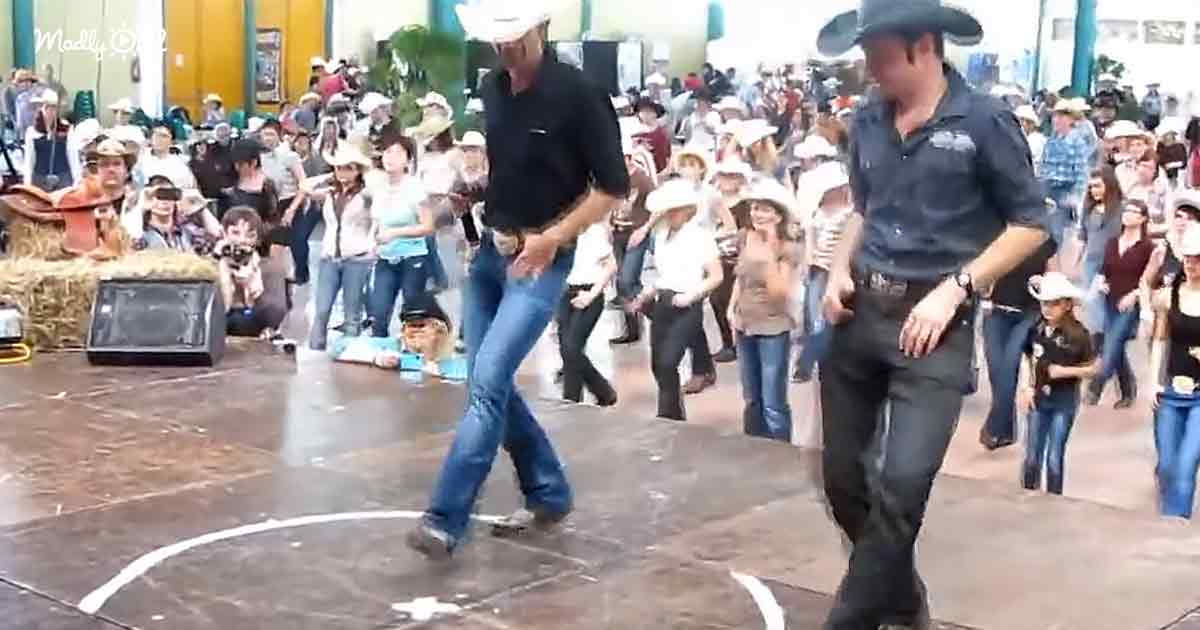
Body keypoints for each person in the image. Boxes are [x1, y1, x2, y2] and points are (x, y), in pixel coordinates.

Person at [814, 1, 1048, 627]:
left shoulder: (986, 122)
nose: (870, 70)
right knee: (843, 481)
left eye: (879, 56)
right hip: (860, 314)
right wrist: (837, 270)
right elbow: (863, 208)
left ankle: (850, 620)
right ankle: (905, 603)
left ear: (923, 46)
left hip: (936, 326)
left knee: (904, 487)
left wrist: (956, 289)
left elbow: (1032, 224)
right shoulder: (868, 120)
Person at [406, 0, 629, 559]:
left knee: (485, 385)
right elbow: (513, 168)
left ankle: (445, 518)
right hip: (491, 252)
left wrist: (553, 237)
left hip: (541, 259)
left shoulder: (580, 94)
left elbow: (612, 187)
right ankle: (548, 490)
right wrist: (475, 193)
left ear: (543, 28)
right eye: (498, 39)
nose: (506, 49)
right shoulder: (493, 88)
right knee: (489, 382)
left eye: (516, 37)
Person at [630, 179, 723, 421]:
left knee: (669, 361)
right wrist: (647, 293)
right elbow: (665, 274)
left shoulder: (700, 236)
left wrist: (690, 295)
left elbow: (716, 276)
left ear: (688, 209)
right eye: (668, 210)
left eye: (675, 210)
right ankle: (671, 413)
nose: (671, 215)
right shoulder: (661, 236)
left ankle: (668, 415)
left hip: (687, 305)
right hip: (663, 302)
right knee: (658, 364)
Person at [728, 179, 800, 442]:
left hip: (773, 328)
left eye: (765, 209)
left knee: (773, 403)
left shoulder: (788, 248)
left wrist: (769, 254)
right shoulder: (745, 237)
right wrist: (731, 309)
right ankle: (752, 448)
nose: (757, 213)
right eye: (755, 208)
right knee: (752, 398)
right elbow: (740, 277)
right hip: (744, 324)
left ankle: (780, 453)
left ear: (778, 216)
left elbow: (780, 293)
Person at [1018, 272, 1098, 494]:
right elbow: (1027, 356)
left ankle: (1054, 499)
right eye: (1045, 303)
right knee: (1032, 456)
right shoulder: (1036, 328)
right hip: (1038, 397)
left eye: (1054, 303)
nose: (1048, 309)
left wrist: (1065, 371)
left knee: (1054, 457)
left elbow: (1093, 368)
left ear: (1067, 305)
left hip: (1064, 401)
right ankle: (1026, 496)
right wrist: (1026, 386)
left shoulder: (1078, 335)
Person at [1149, 224, 1200, 519]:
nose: (1192, 264)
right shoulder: (1169, 296)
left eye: (1198, 258)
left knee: (1186, 464)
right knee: (1167, 465)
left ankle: (1176, 526)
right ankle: (1168, 519)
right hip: (1170, 390)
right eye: (1188, 258)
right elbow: (1159, 340)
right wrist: (1153, 382)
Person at [1086, 199, 1154, 408]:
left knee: (1111, 345)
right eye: (1126, 210)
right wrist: (1101, 283)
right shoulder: (1112, 242)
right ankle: (1128, 389)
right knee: (1115, 348)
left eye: (1134, 211)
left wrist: (1135, 295)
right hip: (1110, 301)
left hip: (1130, 305)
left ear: (1143, 219)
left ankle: (1094, 388)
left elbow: (1150, 280)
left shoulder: (1147, 247)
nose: (1128, 214)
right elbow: (1104, 270)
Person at [368, 132, 435, 337]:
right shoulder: (379, 188)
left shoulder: (415, 187)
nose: (391, 158)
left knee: (412, 313)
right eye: (388, 152)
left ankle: (415, 349)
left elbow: (428, 226)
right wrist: (371, 241)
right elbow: (377, 221)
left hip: (412, 258)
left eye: (398, 153)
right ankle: (380, 349)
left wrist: (396, 233)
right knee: (379, 312)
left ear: (408, 160)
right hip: (385, 258)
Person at [794, 161, 853, 384]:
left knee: (824, 320)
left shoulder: (850, 213)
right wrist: (807, 261)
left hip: (837, 269)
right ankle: (814, 363)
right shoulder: (818, 212)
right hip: (818, 268)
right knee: (814, 318)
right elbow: (810, 239)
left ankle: (806, 364)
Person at [557, 218, 618, 407]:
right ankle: (572, 399)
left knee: (572, 348)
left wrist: (592, 294)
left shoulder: (594, 231)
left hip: (590, 293)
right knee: (566, 350)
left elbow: (611, 266)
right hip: (566, 292)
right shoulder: (561, 231)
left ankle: (603, 391)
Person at [217, 207, 289, 339]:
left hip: (254, 328)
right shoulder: (212, 263)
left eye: (250, 235)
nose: (242, 240)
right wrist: (223, 270)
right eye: (235, 233)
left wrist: (250, 284)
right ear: (224, 233)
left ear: (257, 239)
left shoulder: (268, 267)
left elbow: (274, 313)